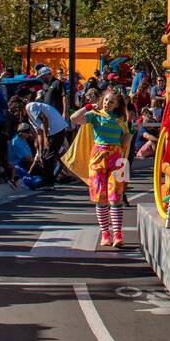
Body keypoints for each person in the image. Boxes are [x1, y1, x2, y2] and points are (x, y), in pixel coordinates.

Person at [69, 87, 132, 248]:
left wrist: (128, 136)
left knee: (116, 197)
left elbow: (125, 139)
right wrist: (88, 107)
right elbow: (74, 118)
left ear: (117, 104)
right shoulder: (95, 116)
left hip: (116, 158)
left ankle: (117, 235)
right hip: (98, 157)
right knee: (100, 197)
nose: (107, 104)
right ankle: (105, 234)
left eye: (111, 102)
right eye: (105, 100)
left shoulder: (120, 119)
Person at [24, 96, 69, 189]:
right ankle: (48, 181)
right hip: (52, 131)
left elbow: (44, 119)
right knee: (44, 156)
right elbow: (39, 133)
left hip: (56, 129)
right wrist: (40, 150)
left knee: (49, 157)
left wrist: (47, 138)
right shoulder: (29, 118)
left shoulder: (30, 106)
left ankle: (48, 183)